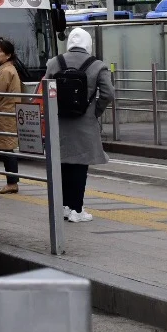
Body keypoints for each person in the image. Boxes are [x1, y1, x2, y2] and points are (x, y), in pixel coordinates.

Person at [41, 27, 114, 223]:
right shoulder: (97, 65)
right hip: (84, 124)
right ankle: (77, 209)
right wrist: (94, 111)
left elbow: (45, 91)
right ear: (88, 44)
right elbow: (108, 94)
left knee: (63, 164)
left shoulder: (54, 63)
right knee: (80, 166)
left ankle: (64, 206)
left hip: (60, 122)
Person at [0, 37, 24, 193]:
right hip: (4, 114)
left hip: (3, 115)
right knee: (6, 148)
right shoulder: (7, 69)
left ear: (8, 55)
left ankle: (12, 183)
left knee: (7, 148)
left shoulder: (6, 71)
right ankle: (12, 182)